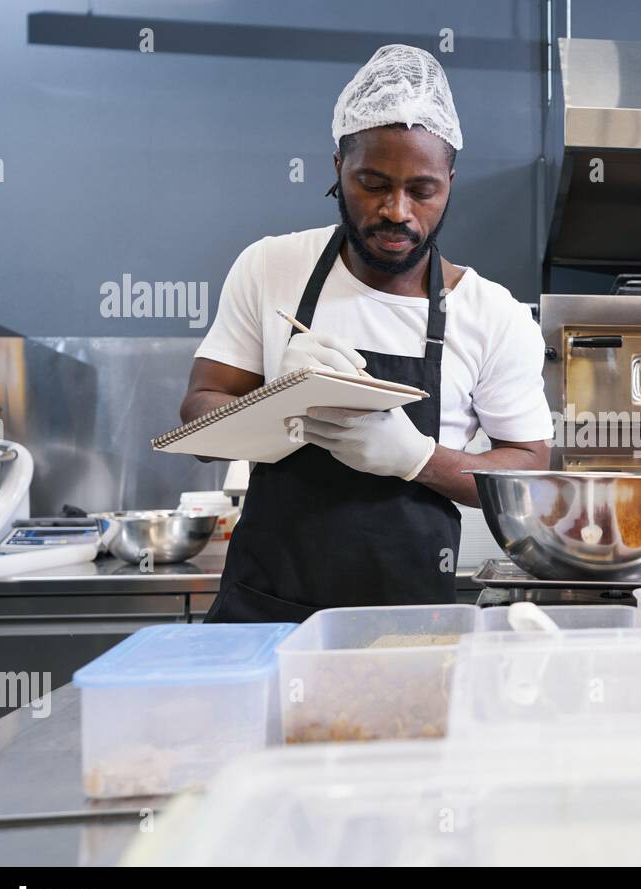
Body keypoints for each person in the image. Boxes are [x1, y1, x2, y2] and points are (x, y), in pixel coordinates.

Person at [180, 45, 552, 623]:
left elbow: (530, 471)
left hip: (407, 628)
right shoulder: (271, 267)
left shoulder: (492, 314)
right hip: (263, 614)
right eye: (372, 183)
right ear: (337, 169)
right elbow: (198, 425)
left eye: (422, 190)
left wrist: (419, 458)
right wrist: (280, 403)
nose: (396, 210)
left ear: (451, 181)